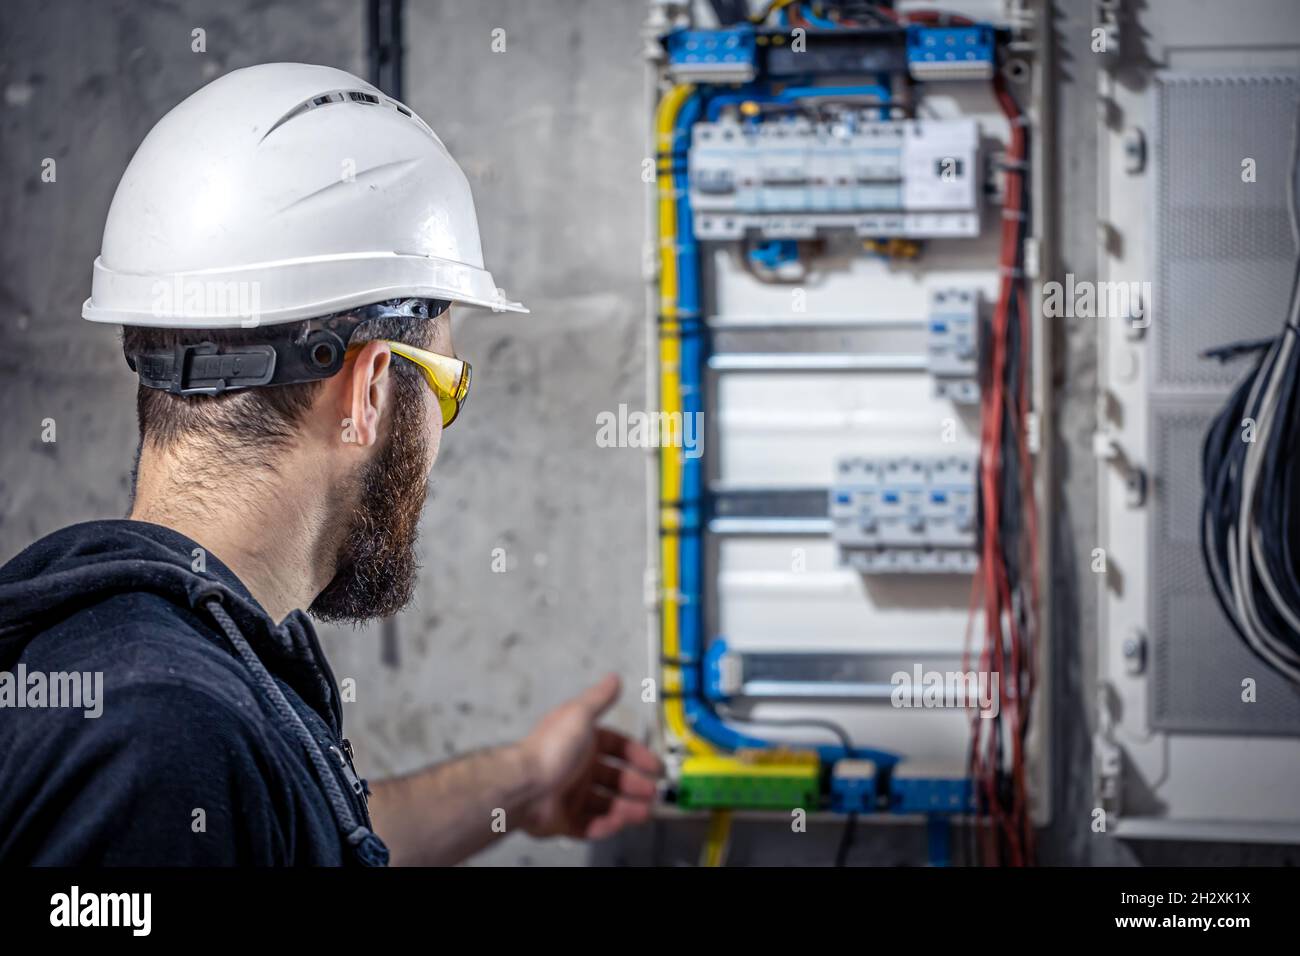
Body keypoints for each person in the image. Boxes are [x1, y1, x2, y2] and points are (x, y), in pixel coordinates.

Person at [0, 63, 660, 866]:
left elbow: (296, 836)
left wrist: (521, 782)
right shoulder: (159, 735)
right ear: (371, 391)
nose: (444, 428)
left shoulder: (163, 666)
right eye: (447, 386)